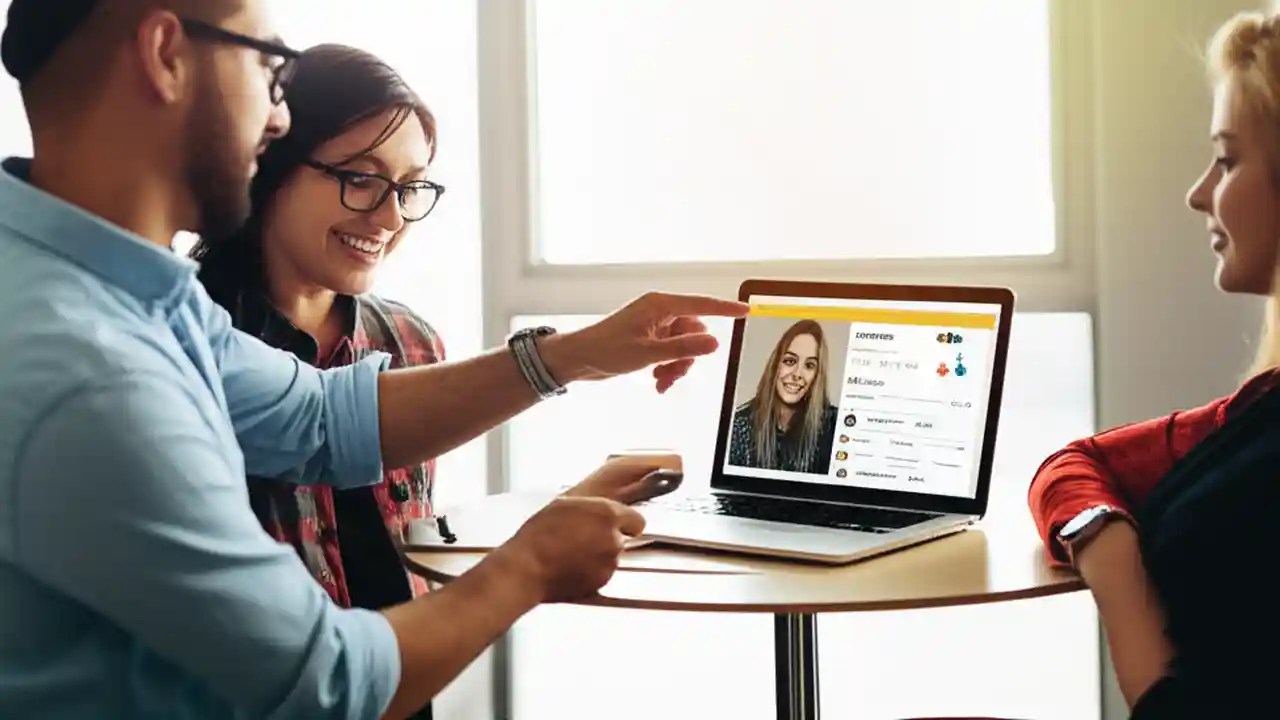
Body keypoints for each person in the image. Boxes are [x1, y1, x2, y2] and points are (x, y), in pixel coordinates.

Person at [0, 2, 748, 719]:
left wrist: (579, 354)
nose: (279, 115)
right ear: (166, 55)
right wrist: (530, 565)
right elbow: (323, 687)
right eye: (270, 63)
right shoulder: (92, 374)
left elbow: (324, 416)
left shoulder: (122, 291)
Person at [1028, 10, 1280, 717]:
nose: (1200, 193)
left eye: (1228, 160)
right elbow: (1072, 465)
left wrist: (1130, 614)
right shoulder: (1252, 415)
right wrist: (1104, 542)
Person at [728, 319, 838, 473]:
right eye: (790, 361)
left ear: (817, 376)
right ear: (776, 365)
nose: (797, 374)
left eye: (809, 365)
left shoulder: (835, 426)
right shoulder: (739, 427)